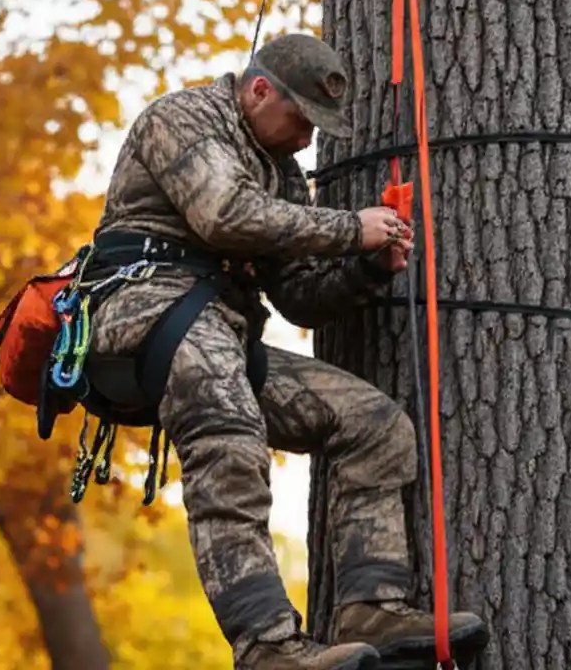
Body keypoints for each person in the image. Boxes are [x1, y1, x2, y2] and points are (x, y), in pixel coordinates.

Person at [84, 33, 487, 669]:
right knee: (232, 440)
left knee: (374, 425)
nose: (306, 138)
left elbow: (298, 295)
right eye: (301, 120)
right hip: (146, 313)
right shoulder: (183, 119)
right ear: (260, 90)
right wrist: (350, 228)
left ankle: (371, 606)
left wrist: (368, 267)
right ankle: (267, 645)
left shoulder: (282, 173)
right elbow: (224, 214)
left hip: (223, 336)